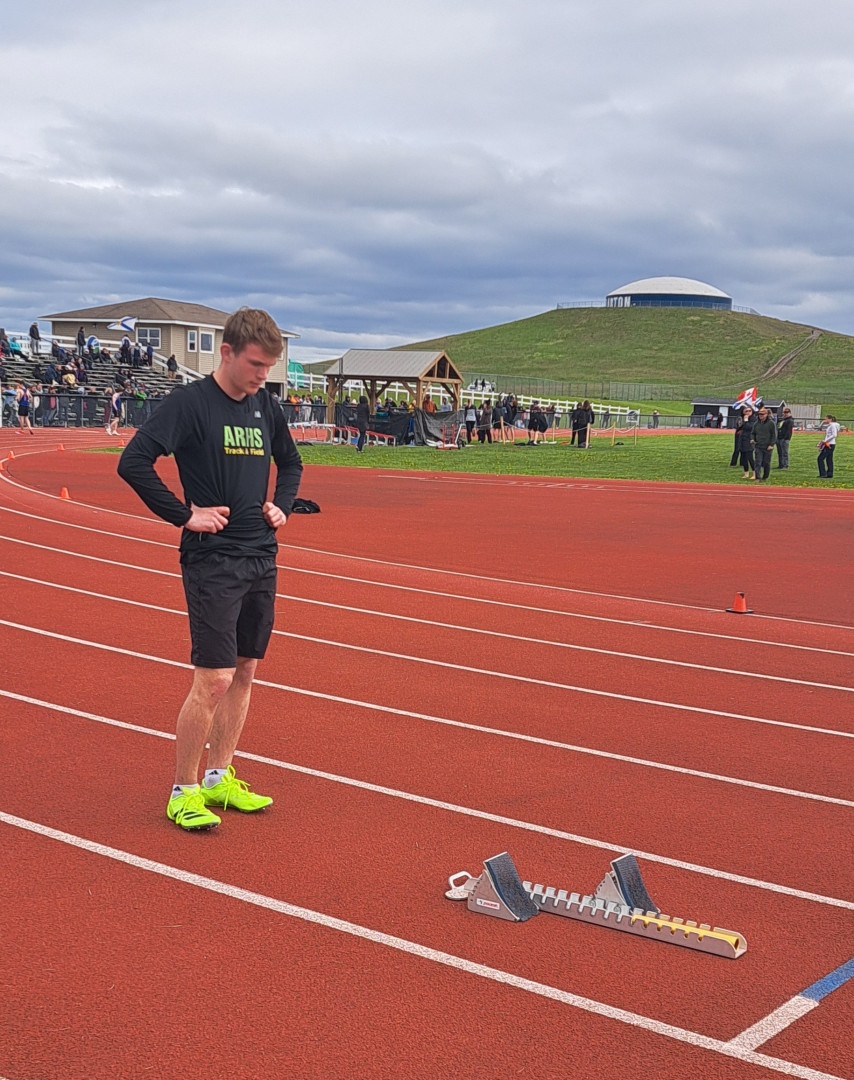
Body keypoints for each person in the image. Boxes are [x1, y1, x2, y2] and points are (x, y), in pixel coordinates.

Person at [117, 308, 303, 832]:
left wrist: (282, 505)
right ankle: (184, 790)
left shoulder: (266, 406)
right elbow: (133, 462)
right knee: (215, 678)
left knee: (244, 671)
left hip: (261, 555)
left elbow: (290, 462)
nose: (263, 375)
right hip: (213, 560)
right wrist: (184, 514)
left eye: (269, 366)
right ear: (227, 352)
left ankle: (219, 777)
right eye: (255, 364)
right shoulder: (191, 404)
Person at [751, 405, 777, 481]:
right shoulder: (756, 423)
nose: (760, 416)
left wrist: (771, 444)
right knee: (758, 462)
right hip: (758, 446)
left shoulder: (771, 423)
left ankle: (765, 476)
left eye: (762, 414)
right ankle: (757, 477)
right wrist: (752, 439)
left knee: (766, 463)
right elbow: (753, 433)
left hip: (767, 446)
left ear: (766, 414)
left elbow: (774, 435)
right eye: (759, 414)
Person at [818, 415, 840, 479]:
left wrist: (826, 441)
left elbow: (834, 435)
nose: (825, 420)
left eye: (826, 419)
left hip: (829, 444)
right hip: (831, 444)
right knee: (829, 459)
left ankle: (823, 473)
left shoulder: (832, 425)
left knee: (820, 458)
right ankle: (829, 474)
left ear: (830, 419)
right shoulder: (831, 425)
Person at [736, 406, 755, 478]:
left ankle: (754, 473)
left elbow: (749, 427)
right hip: (742, 439)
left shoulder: (754, 419)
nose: (748, 412)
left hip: (749, 439)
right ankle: (746, 473)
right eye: (746, 411)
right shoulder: (743, 418)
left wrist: (746, 420)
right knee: (743, 457)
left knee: (750, 457)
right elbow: (740, 427)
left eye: (749, 411)